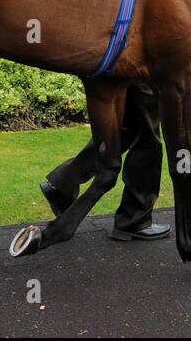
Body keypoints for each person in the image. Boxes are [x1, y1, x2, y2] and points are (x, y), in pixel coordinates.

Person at [40, 81, 170, 242]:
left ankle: (64, 181)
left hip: (121, 68)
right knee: (148, 137)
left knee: (125, 127)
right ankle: (134, 220)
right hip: (141, 67)